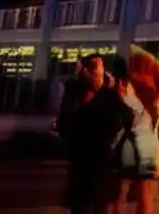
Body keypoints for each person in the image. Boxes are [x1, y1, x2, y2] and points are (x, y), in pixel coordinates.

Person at [109, 51, 159, 214]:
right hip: (148, 144)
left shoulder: (124, 86)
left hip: (129, 142)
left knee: (117, 191)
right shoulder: (154, 90)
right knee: (144, 191)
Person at [58, 54, 112, 214]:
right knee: (83, 206)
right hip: (82, 160)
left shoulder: (108, 92)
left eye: (102, 66)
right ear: (86, 71)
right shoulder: (76, 92)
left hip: (102, 160)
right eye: (96, 67)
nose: (101, 71)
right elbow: (65, 123)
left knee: (100, 205)